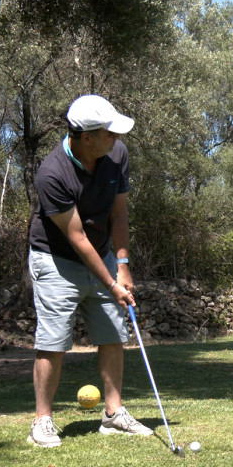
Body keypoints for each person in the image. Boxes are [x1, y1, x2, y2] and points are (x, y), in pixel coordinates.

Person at [26, 94, 152, 447]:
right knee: (53, 340)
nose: (116, 139)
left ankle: (113, 415)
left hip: (103, 253)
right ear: (85, 137)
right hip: (56, 258)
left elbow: (120, 213)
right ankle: (42, 421)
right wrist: (112, 283)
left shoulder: (116, 155)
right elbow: (77, 237)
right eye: (108, 133)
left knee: (112, 332)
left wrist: (122, 265)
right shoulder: (52, 173)